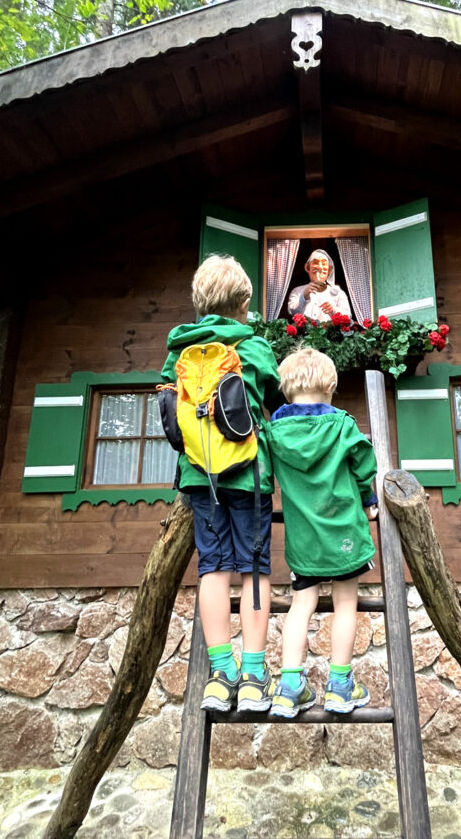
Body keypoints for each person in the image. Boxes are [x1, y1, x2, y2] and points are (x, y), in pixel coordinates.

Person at [161, 254, 282, 713]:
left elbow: (171, 408)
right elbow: (271, 398)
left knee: (213, 567)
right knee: (254, 567)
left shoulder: (178, 351)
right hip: (249, 474)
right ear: (243, 301)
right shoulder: (252, 347)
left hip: (199, 475)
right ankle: (253, 673)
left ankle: (219, 673)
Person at [263, 347, 378, 716]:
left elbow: (263, 472)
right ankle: (340, 685)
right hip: (343, 533)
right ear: (330, 386)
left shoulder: (273, 433)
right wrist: (368, 499)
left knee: (301, 606)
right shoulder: (342, 425)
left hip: (303, 540)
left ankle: (289, 684)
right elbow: (364, 465)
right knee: (346, 604)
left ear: (285, 389)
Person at [287, 249, 352, 323]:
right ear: (307, 268)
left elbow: (347, 318)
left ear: (329, 271)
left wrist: (333, 310)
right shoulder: (297, 291)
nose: (320, 267)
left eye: (324, 264)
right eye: (315, 263)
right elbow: (292, 312)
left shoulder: (338, 293)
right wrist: (304, 296)